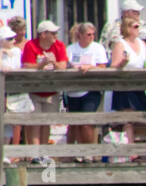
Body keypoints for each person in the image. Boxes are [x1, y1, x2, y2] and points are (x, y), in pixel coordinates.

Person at [20, 21, 68, 150]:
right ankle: (35, 153)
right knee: (35, 122)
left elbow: (63, 66)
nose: (55, 35)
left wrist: (54, 62)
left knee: (46, 122)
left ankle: (44, 151)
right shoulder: (31, 45)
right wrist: (41, 64)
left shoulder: (59, 46)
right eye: (53, 33)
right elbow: (26, 66)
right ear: (43, 34)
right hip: (34, 89)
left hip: (52, 90)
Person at [109, 19, 146, 147]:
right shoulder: (120, 44)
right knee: (128, 119)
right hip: (125, 85)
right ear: (127, 28)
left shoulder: (142, 43)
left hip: (139, 85)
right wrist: (123, 63)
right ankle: (130, 150)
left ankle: (141, 149)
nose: (137, 28)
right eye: (135, 26)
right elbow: (114, 66)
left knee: (144, 118)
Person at [64, 23, 108, 149]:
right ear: (80, 35)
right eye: (89, 34)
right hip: (73, 90)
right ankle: (74, 152)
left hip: (91, 89)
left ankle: (88, 152)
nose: (92, 37)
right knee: (74, 123)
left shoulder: (97, 48)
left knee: (87, 122)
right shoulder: (71, 49)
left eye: (93, 34)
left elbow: (102, 66)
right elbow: (66, 64)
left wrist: (89, 67)